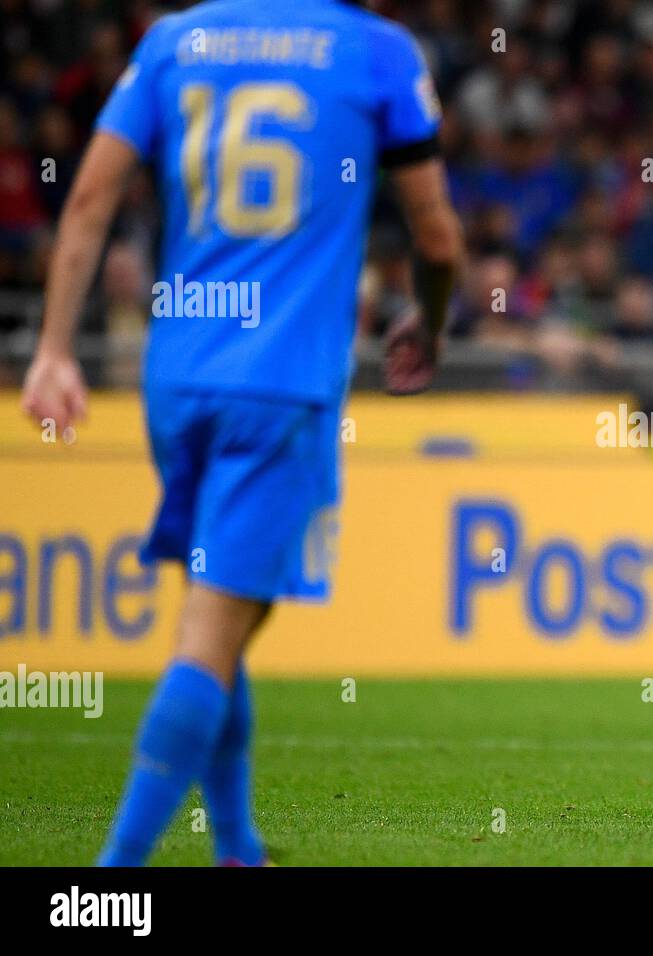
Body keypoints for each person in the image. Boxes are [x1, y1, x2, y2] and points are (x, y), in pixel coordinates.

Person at [20, 0, 463, 865]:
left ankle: (237, 846)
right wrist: (432, 319)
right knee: (215, 630)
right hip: (280, 382)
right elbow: (438, 237)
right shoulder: (374, 52)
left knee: (218, 610)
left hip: (175, 374)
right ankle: (110, 885)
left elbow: (87, 203)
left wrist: (52, 349)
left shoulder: (172, 40)